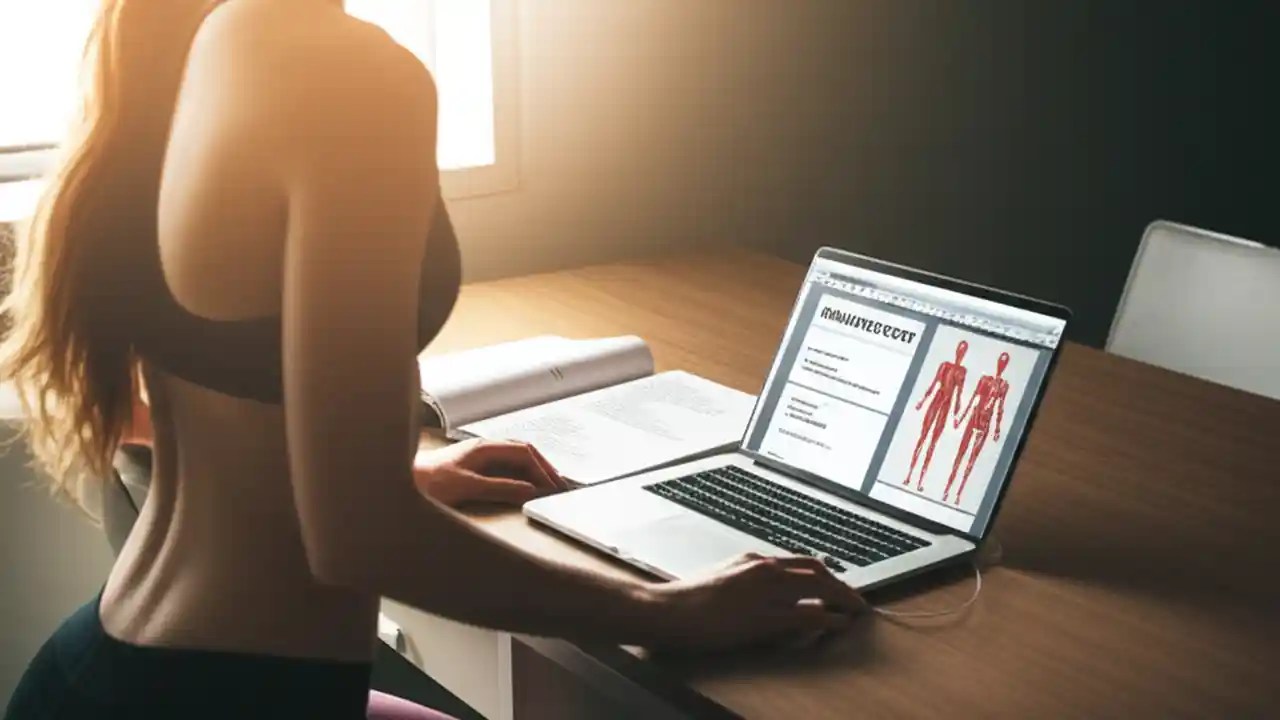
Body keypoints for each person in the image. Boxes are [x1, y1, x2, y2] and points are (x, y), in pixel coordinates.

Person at [0, 1, 864, 717]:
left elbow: (161, 395)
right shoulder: (349, 76)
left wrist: (381, 475)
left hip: (105, 670)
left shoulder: (209, 29)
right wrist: (664, 609)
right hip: (239, 693)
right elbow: (360, 542)